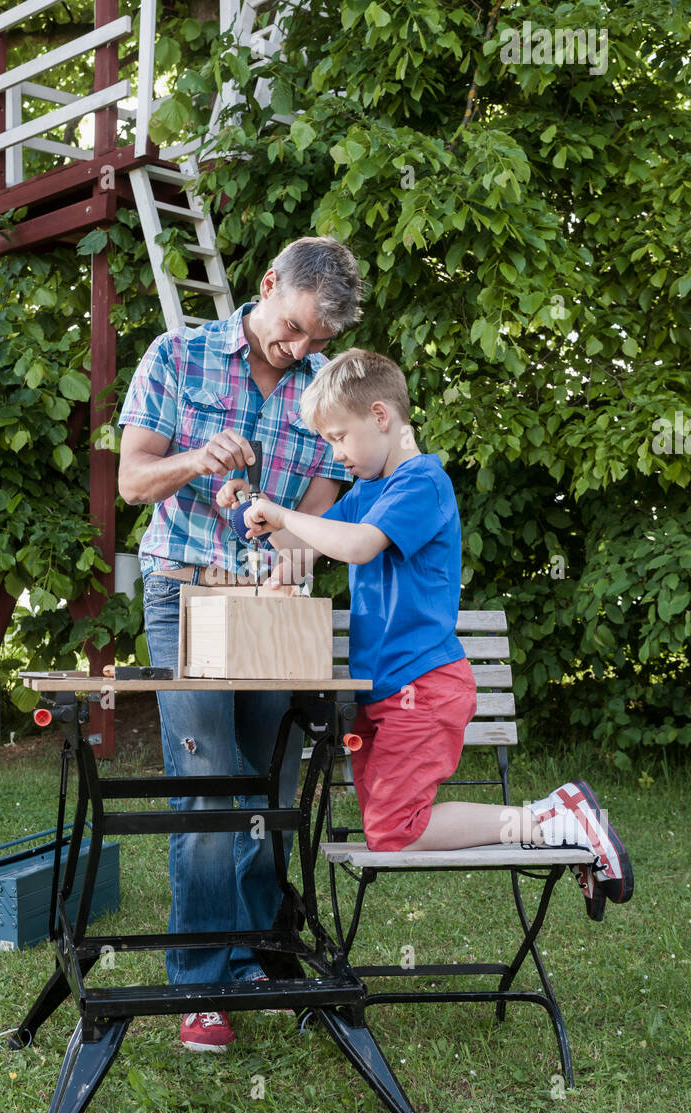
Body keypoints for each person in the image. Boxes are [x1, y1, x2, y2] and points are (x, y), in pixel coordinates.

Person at [235, 347, 634, 922]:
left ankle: (548, 818)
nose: (336, 453)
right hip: (384, 694)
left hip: (422, 687)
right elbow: (303, 549)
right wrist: (257, 515)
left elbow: (358, 545)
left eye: (339, 437)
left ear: (381, 416)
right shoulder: (368, 491)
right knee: (385, 829)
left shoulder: (422, 483)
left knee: (395, 832)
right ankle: (557, 826)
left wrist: (285, 513)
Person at [117, 237, 366, 1051]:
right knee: (208, 784)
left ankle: (254, 953)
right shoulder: (178, 357)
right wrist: (193, 458)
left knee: (267, 786)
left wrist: (303, 540)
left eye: (313, 344)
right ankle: (198, 980)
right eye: (292, 329)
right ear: (267, 288)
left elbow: (331, 490)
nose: (297, 350)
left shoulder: (319, 389)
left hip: (269, 605)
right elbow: (131, 480)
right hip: (184, 594)